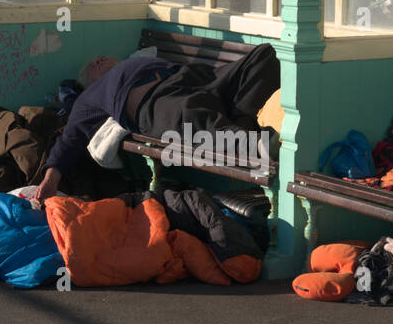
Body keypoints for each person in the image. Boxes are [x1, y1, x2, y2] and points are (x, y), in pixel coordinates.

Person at [28, 43, 280, 209]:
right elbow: (70, 139)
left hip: (195, 78)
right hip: (157, 102)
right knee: (188, 113)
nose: (98, 60)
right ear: (87, 82)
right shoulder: (89, 98)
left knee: (265, 56)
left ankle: (243, 127)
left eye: (101, 58)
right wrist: (51, 178)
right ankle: (251, 145)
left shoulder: (138, 62)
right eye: (91, 66)